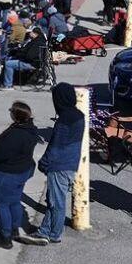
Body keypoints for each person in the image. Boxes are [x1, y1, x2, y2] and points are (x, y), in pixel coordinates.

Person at [21, 84, 85, 246]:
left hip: (59, 166)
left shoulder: (65, 119)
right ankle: (44, 231)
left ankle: (55, 233)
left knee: (56, 202)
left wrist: (44, 163)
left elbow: (56, 145)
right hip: (70, 163)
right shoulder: (78, 115)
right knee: (53, 200)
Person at [0, 101, 40, 249]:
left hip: (6, 175)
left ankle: (5, 236)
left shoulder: (14, 135)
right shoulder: (31, 130)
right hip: (22, 172)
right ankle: (14, 229)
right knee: (15, 201)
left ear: (15, 116)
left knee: (2, 205)